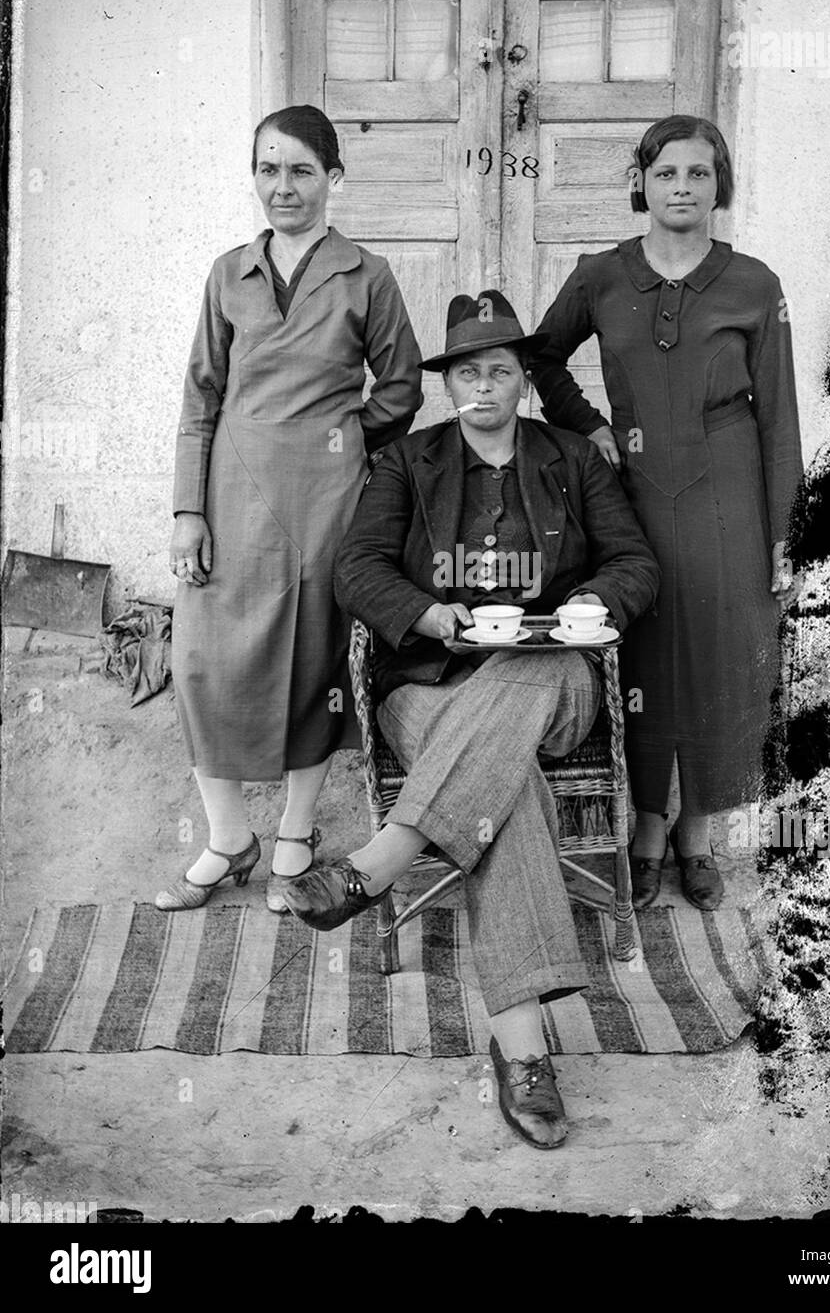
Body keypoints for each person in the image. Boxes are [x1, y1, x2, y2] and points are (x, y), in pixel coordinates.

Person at [281, 291, 659, 1148]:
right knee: (506, 784)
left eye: (498, 370)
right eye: (465, 373)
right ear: (446, 386)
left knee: (522, 688)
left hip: (553, 676)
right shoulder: (407, 462)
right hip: (430, 686)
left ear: (523, 380)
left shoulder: (572, 458)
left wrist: (591, 604)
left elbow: (635, 560)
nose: (481, 385)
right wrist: (423, 614)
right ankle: (524, 1053)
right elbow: (357, 568)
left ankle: (385, 857)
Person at [530, 115, 803, 912]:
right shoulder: (599, 276)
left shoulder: (753, 283)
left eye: (698, 173)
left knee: (720, 652)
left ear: (720, 185)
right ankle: (644, 833)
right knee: (642, 656)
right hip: (636, 492)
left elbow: (779, 418)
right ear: (641, 183)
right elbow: (540, 356)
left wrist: (785, 532)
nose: (681, 187)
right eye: (665, 173)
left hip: (728, 490)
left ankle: (697, 838)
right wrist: (587, 426)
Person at [157, 106, 423, 913]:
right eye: (269, 169)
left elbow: (401, 386)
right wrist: (187, 511)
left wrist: (342, 443)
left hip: (323, 505)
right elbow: (200, 397)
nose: (284, 186)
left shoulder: (366, 275)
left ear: (332, 178)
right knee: (202, 663)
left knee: (314, 664)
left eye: (302, 170)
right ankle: (227, 839)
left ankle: (294, 839)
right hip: (229, 497)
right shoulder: (227, 274)